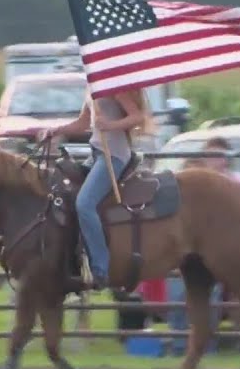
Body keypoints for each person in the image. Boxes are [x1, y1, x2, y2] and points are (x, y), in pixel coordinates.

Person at [41, 89, 155, 288]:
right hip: (96, 155)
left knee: (85, 204)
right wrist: (56, 130)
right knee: (62, 190)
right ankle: (73, 256)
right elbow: (82, 124)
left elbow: (138, 117)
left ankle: (100, 268)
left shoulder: (114, 88)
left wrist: (111, 125)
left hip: (114, 156)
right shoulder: (91, 88)